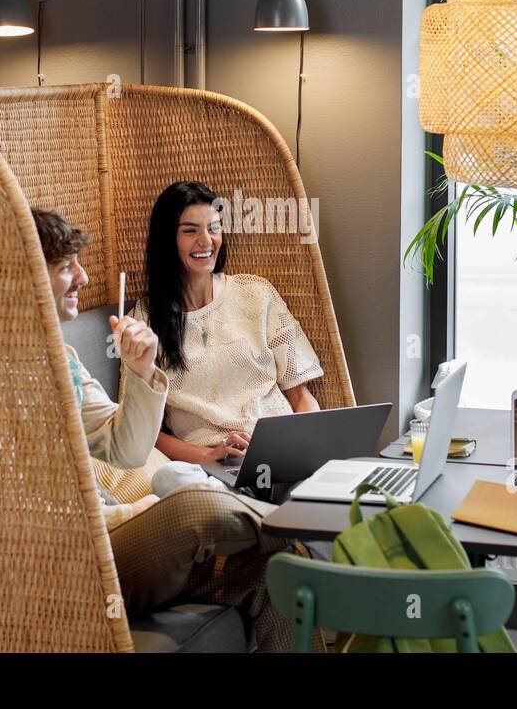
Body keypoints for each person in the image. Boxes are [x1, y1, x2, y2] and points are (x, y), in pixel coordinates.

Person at [30, 208, 310, 652]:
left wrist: (142, 373)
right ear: (21, 275)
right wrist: (141, 511)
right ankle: (318, 531)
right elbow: (38, 516)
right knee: (194, 507)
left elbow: (126, 450)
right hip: (80, 555)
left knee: (270, 572)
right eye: (66, 267)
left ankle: (301, 543)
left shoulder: (61, 357)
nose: (83, 277)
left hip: (119, 530)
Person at [133, 181, 324, 464]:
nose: (206, 241)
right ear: (166, 239)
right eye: (190, 231)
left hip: (282, 452)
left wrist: (311, 447)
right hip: (215, 465)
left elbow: (299, 396)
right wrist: (209, 455)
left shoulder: (256, 294)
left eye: (213, 227)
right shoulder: (147, 318)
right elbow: (144, 428)